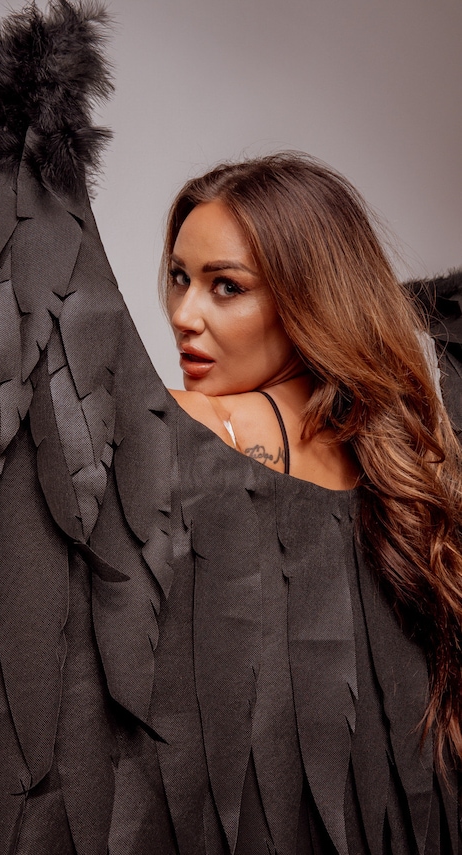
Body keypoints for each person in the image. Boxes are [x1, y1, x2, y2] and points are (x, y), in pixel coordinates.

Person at [151, 152, 462, 853]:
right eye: (178, 277)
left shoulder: (185, 423)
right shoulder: (413, 451)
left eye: (226, 287)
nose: (183, 315)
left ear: (307, 297)